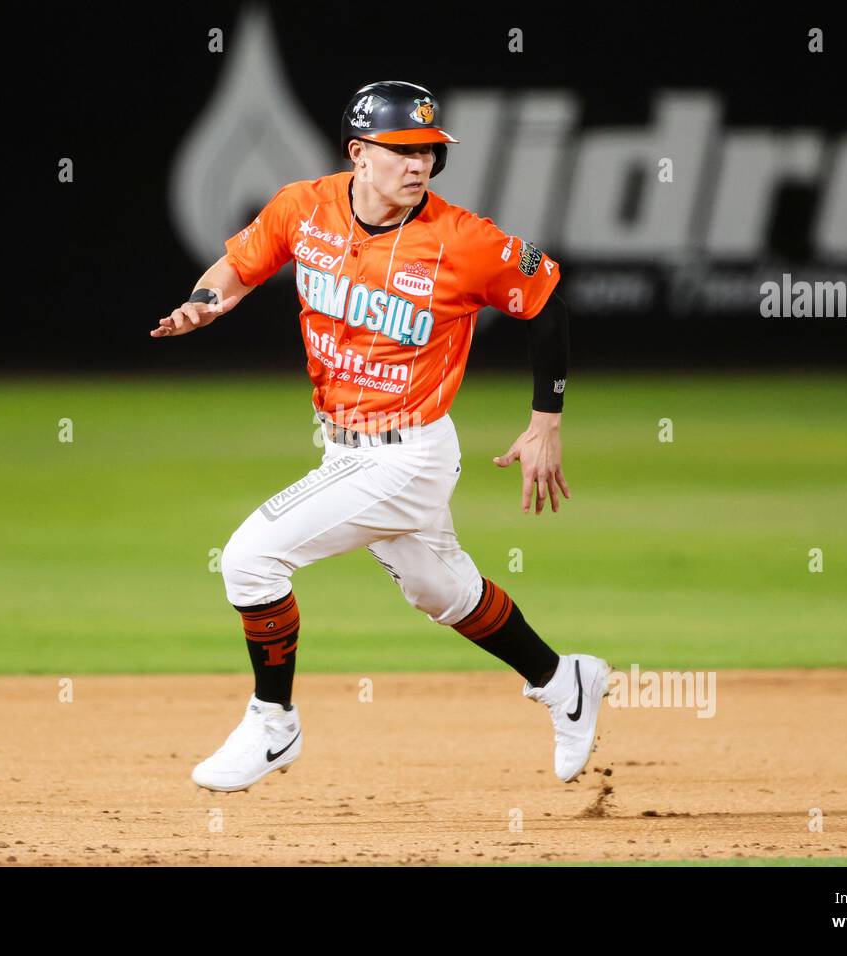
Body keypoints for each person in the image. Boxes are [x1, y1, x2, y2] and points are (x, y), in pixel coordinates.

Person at [153, 80, 610, 793]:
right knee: (441, 591)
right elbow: (238, 268)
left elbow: (546, 296)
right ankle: (563, 680)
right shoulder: (304, 208)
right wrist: (205, 303)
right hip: (345, 445)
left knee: (249, 560)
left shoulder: (463, 240)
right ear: (358, 153)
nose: (419, 162)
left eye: (428, 149)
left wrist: (545, 420)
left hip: (407, 457)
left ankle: (273, 724)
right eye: (401, 149)